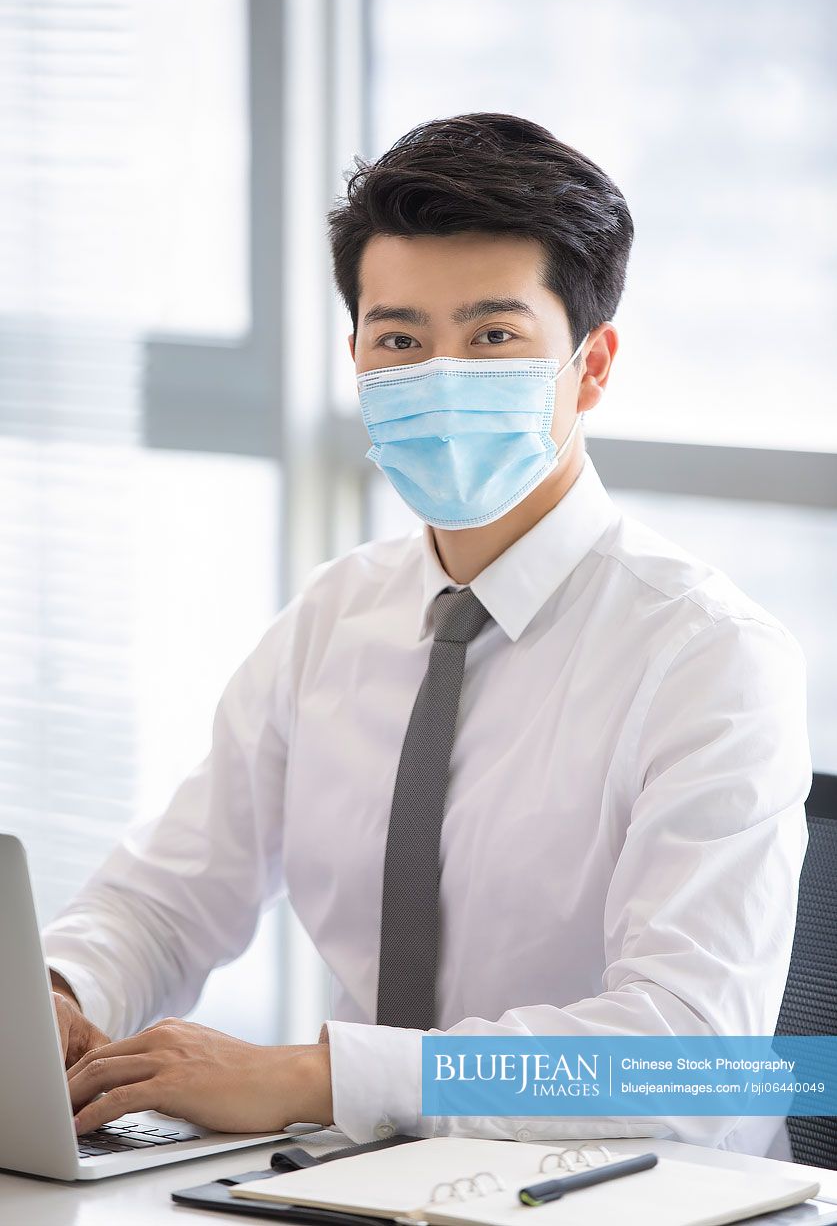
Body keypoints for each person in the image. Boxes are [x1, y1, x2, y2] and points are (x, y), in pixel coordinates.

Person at [43, 112, 811, 1159]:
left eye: (494, 337)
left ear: (590, 368)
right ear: (358, 357)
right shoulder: (334, 615)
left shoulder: (711, 656)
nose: (440, 376)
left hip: (627, 1194)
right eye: (399, 340)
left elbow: (682, 1055)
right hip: (355, 1181)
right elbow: (170, 897)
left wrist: (320, 1076)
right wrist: (60, 991)